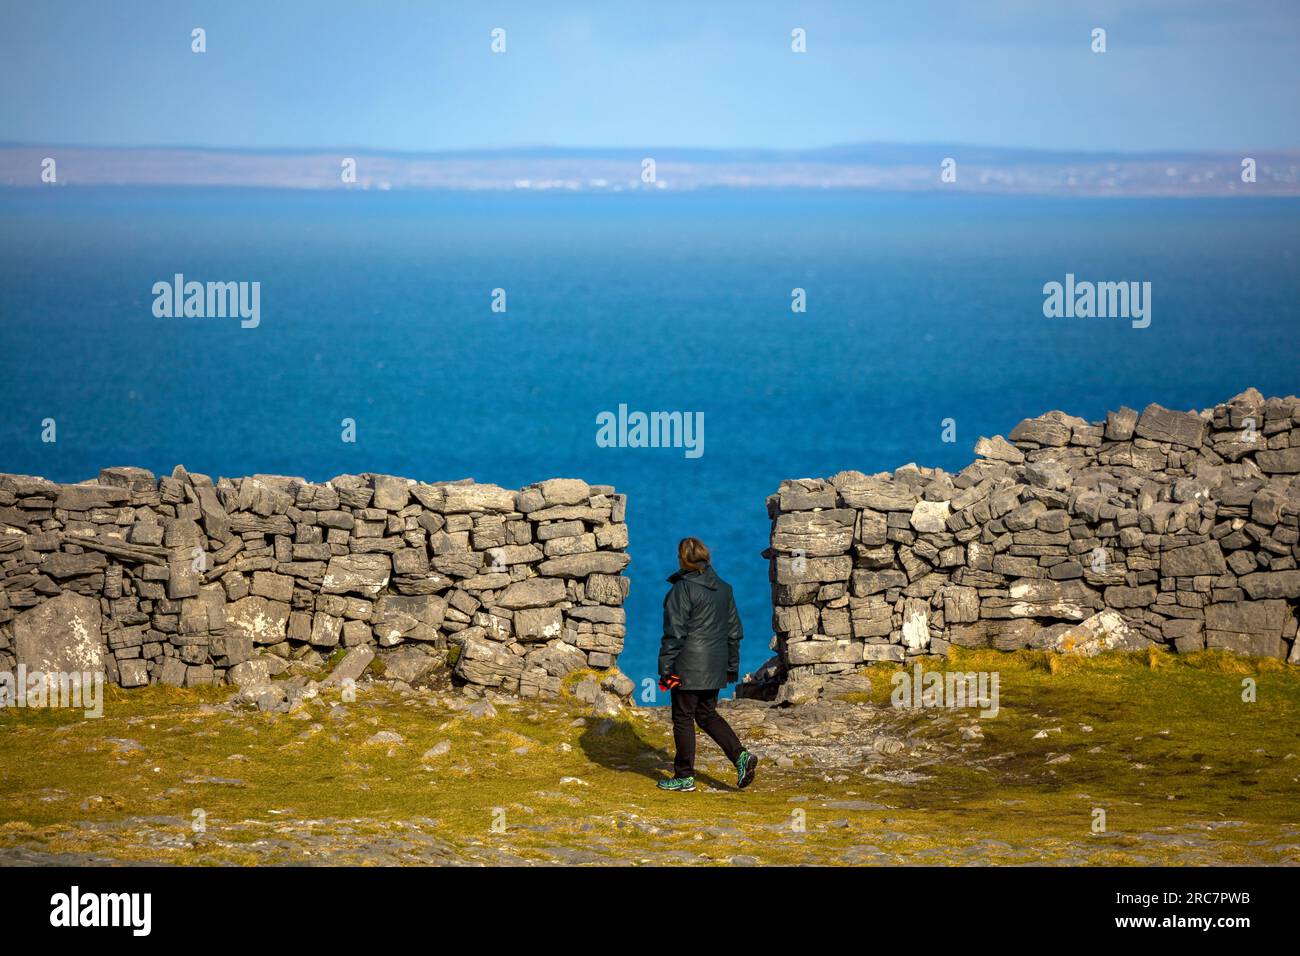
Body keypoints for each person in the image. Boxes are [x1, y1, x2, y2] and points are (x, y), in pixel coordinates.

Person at [656, 537, 758, 792]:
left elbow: (674, 634)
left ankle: (684, 776)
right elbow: (735, 632)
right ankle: (740, 756)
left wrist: (666, 670)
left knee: (683, 718)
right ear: (706, 557)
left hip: (687, 666)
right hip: (715, 665)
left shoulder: (683, 589)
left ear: (683, 560)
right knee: (706, 714)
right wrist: (731, 667)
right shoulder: (725, 588)